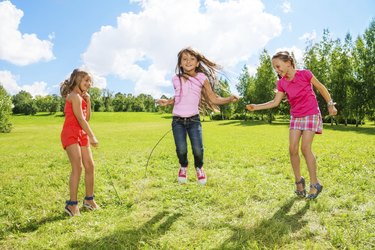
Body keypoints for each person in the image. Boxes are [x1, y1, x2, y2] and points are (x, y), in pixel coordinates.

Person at [246, 51, 337, 199]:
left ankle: (315, 184)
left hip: (311, 113)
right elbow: (275, 102)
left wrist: (330, 104)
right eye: (274, 68)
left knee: (305, 148)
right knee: (292, 148)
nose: (276, 70)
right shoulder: (281, 83)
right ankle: (298, 182)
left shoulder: (305, 74)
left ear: (288, 62)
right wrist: (256, 107)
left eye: (278, 66)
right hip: (296, 116)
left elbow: (321, 88)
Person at [156, 47, 239, 185]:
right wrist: (168, 102)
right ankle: (183, 166)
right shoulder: (175, 79)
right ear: (180, 63)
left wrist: (229, 99)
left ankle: (199, 168)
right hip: (177, 120)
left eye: (192, 59)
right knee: (181, 148)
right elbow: (179, 97)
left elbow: (213, 98)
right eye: (185, 59)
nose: (188, 61)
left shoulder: (202, 78)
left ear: (197, 63)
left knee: (198, 149)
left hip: (194, 120)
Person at [60, 69, 100, 216]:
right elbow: (81, 120)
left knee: (90, 165)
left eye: (90, 81)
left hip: (81, 133)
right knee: (78, 167)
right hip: (70, 133)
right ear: (77, 80)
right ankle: (72, 204)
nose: (89, 84)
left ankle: (89, 200)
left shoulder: (82, 98)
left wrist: (88, 101)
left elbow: (87, 118)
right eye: (86, 81)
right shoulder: (74, 96)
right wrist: (93, 136)